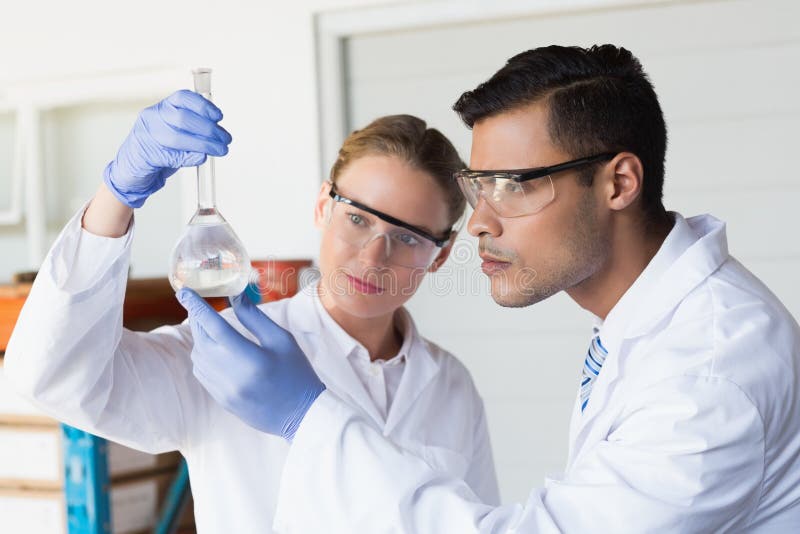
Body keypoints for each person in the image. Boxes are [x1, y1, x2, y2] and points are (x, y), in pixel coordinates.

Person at [175, 44, 800, 532]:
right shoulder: (651, 318)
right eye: (480, 187)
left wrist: (307, 418)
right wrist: (125, 201)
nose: (479, 222)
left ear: (618, 184)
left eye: (513, 185)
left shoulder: (707, 374)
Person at [4, 98, 501, 531]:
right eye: (356, 218)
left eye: (408, 237)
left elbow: (474, 523)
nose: (373, 257)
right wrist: (116, 196)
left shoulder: (452, 387)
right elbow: (53, 376)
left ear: (440, 255)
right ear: (323, 207)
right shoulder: (227, 352)